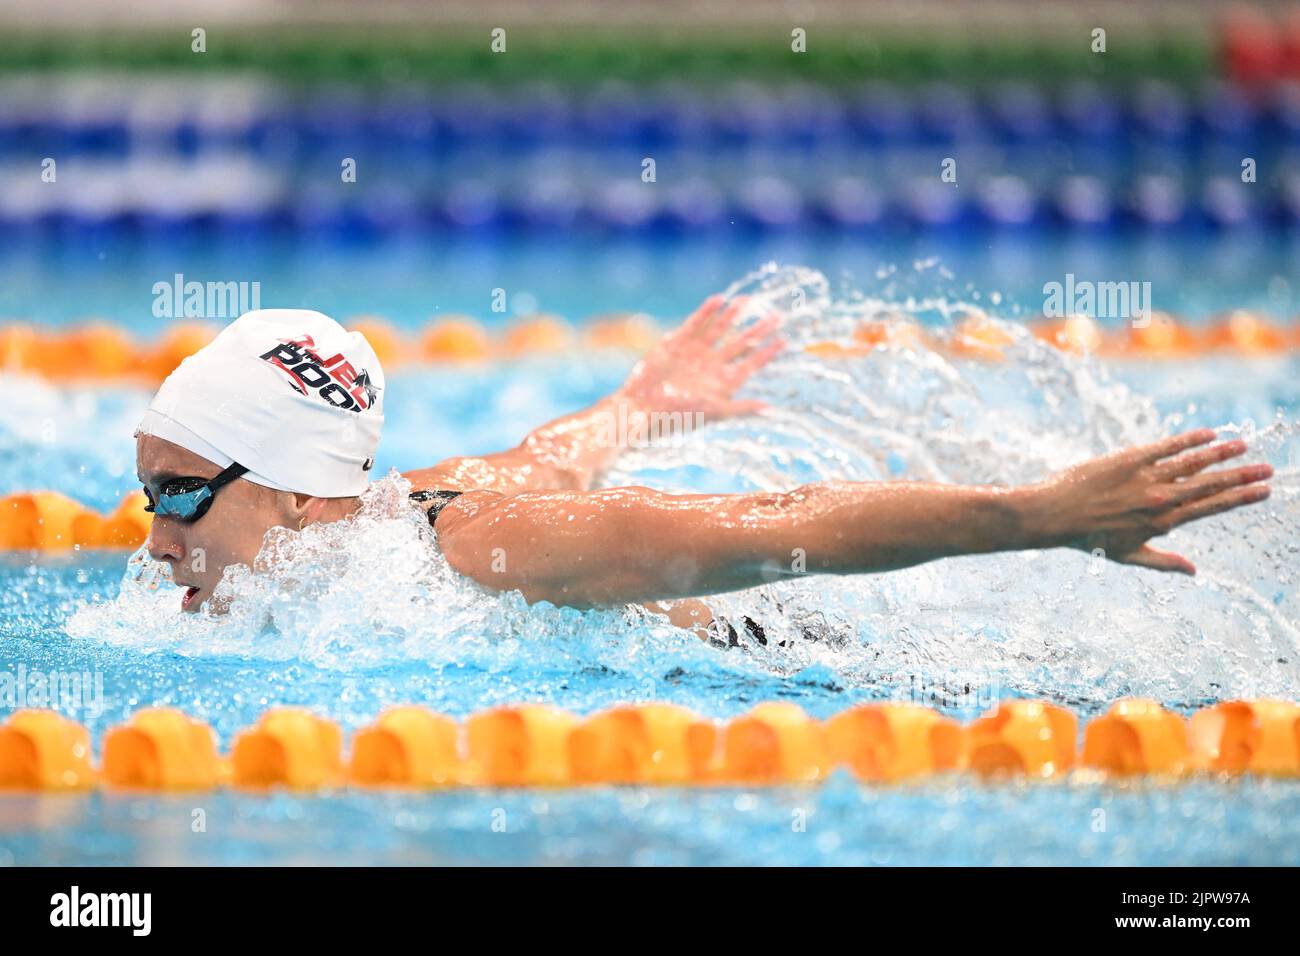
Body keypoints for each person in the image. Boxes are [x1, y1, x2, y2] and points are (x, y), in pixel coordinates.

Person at [135, 302, 1273, 627]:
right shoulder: (382, 509)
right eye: (149, 494)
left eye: (180, 494)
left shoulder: (474, 547)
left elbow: (774, 523)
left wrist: (1036, 515)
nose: (155, 535)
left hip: (798, 667)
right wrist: (640, 404)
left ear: (291, 485)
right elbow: (543, 452)